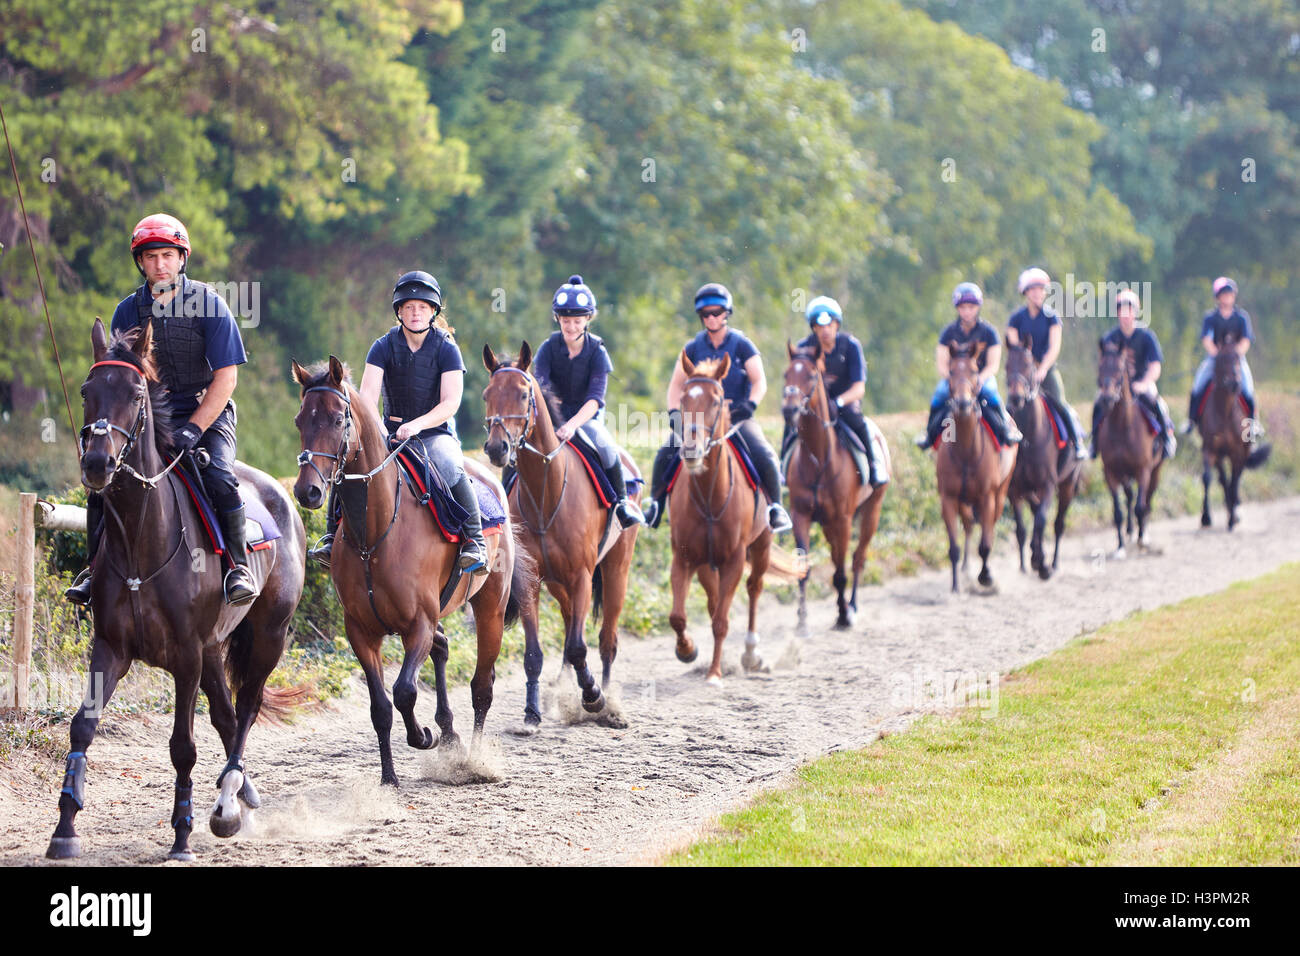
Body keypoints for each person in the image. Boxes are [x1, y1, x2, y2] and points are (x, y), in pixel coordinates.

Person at [67, 213, 257, 606]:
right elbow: (120, 378)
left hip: (207, 412)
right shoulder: (127, 312)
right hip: (148, 416)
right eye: (151, 257)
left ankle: (238, 566)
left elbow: (226, 379)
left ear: (182, 258)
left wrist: (194, 427)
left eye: (168, 255)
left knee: (219, 476)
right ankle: (92, 570)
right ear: (141, 262)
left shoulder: (210, 304)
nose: (160, 264)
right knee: (105, 482)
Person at [308, 271, 487, 574]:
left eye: (422, 307)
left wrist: (416, 425)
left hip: (433, 435)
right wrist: (378, 430)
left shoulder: (447, 348)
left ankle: (475, 540)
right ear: (399, 312)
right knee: (347, 459)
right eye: (409, 307)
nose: (415, 313)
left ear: (433, 311)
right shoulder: (382, 346)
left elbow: (451, 403)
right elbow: (366, 399)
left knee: (449, 462)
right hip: (389, 435)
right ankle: (330, 535)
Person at [642, 282, 792, 532]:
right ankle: (655, 506)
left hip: (736, 418)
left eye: (717, 313)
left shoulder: (742, 345)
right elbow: (675, 387)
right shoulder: (692, 348)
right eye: (706, 314)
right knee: (665, 452)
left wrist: (750, 405)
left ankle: (775, 508)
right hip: (698, 421)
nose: (711, 318)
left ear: (727, 314)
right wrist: (673, 414)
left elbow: (759, 381)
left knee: (763, 453)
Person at [531, 274, 645, 529]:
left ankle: (622, 503)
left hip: (586, 418)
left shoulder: (597, 352)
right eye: (566, 320)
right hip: (552, 417)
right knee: (521, 451)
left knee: (606, 447)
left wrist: (572, 426)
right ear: (557, 319)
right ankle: (507, 499)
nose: (571, 326)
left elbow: (595, 400)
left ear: (587, 320)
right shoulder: (548, 348)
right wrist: (553, 421)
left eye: (577, 321)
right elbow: (540, 389)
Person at [780, 295, 885, 486]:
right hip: (812, 405)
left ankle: (874, 465)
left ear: (837, 324)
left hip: (844, 403)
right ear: (813, 328)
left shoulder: (851, 346)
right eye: (819, 327)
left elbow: (859, 388)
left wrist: (838, 403)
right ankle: (783, 466)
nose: (825, 330)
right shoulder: (804, 347)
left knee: (857, 421)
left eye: (829, 325)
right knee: (791, 423)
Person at [915, 282, 1022, 450]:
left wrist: (980, 378)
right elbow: (942, 364)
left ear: (978, 307)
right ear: (957, 308)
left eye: (971, 307)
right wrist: (952, 379)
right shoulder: (948, 333)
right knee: (938, 397)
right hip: (955, 379)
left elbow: (993, 365)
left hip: (981, 377)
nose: (967, 311)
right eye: (963, 307)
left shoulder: (989, 332)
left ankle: (1005, 429)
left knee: (992, 396)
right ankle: (929, 434)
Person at [1004, 267, 1087, 458]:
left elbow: (1054, 347)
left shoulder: (1052, 317)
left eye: (1041, 289)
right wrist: (1028, 367)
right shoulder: (1016, 318)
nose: (1037, 293)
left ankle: (1077, 442)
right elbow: (1016, 347)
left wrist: (1042, 369)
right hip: (1023, 372)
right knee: (1010, 404)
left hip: (1046, 371)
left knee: (1060, 402)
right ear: (1025, 292)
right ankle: (1005, 441)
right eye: (1033, 289)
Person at [1091, 288, 1177, 459]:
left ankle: (1167, 440)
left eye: (1128, 310)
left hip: (1141, 383)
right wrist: (1107, 385)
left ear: (1135, 312)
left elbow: (1155, 366)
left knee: (1157, 404)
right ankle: (1094, 444)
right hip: (1116, 387)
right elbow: (1105, 365)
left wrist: (1144, 384)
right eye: (1121, 310)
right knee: (1098, 403)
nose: (1125, 314)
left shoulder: (1147, 336)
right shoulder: (1110, 337)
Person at [1184, 276, 1258, 437]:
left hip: (1236, 360)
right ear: (1217, 297)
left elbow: (1246, 340)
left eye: (1229, 294)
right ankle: (1191, 420)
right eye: (1223, 294)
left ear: (1234, 296)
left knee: (1247, 388)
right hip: (1215, 360)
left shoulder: (1241, 317)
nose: (1227, 297)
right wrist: (1218, 355)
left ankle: (1253, 424)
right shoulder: (1210, 318)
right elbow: (1207, 340)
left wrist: (1234, 354)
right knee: (1198, 385)